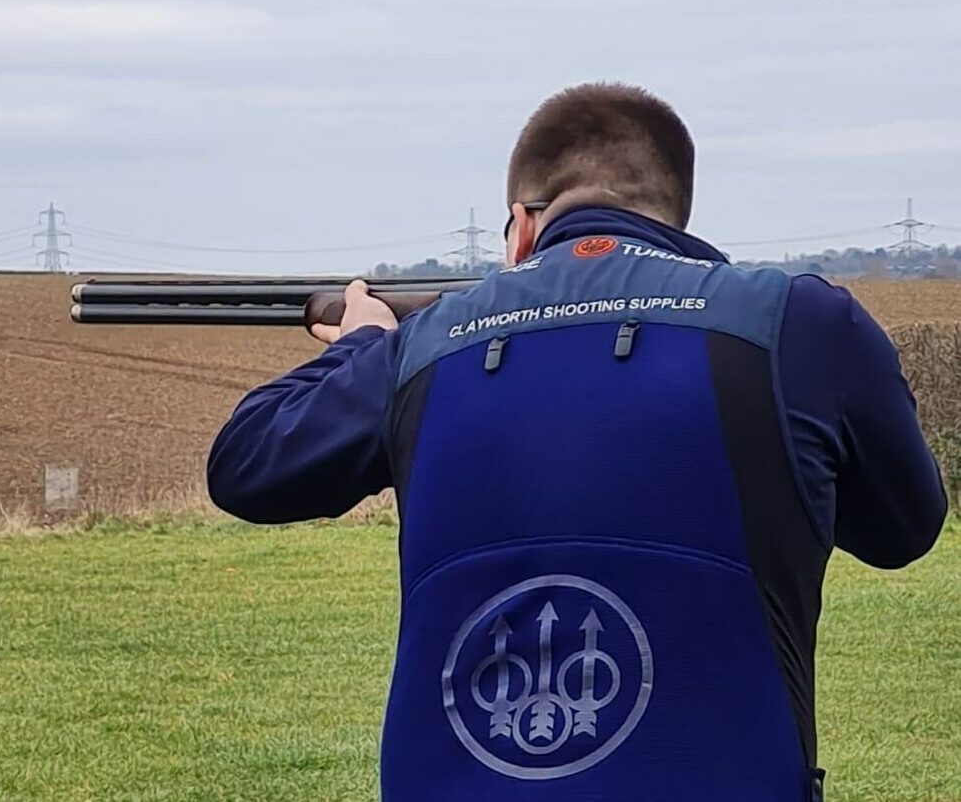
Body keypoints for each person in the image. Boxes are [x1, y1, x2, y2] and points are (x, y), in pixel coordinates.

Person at [206, 82, 948, 801]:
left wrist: (361, 345)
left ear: (520, 225)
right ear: (675, 214)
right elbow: (901, 530)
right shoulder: (800, 323)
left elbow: (248, 467)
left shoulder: (426, 345)